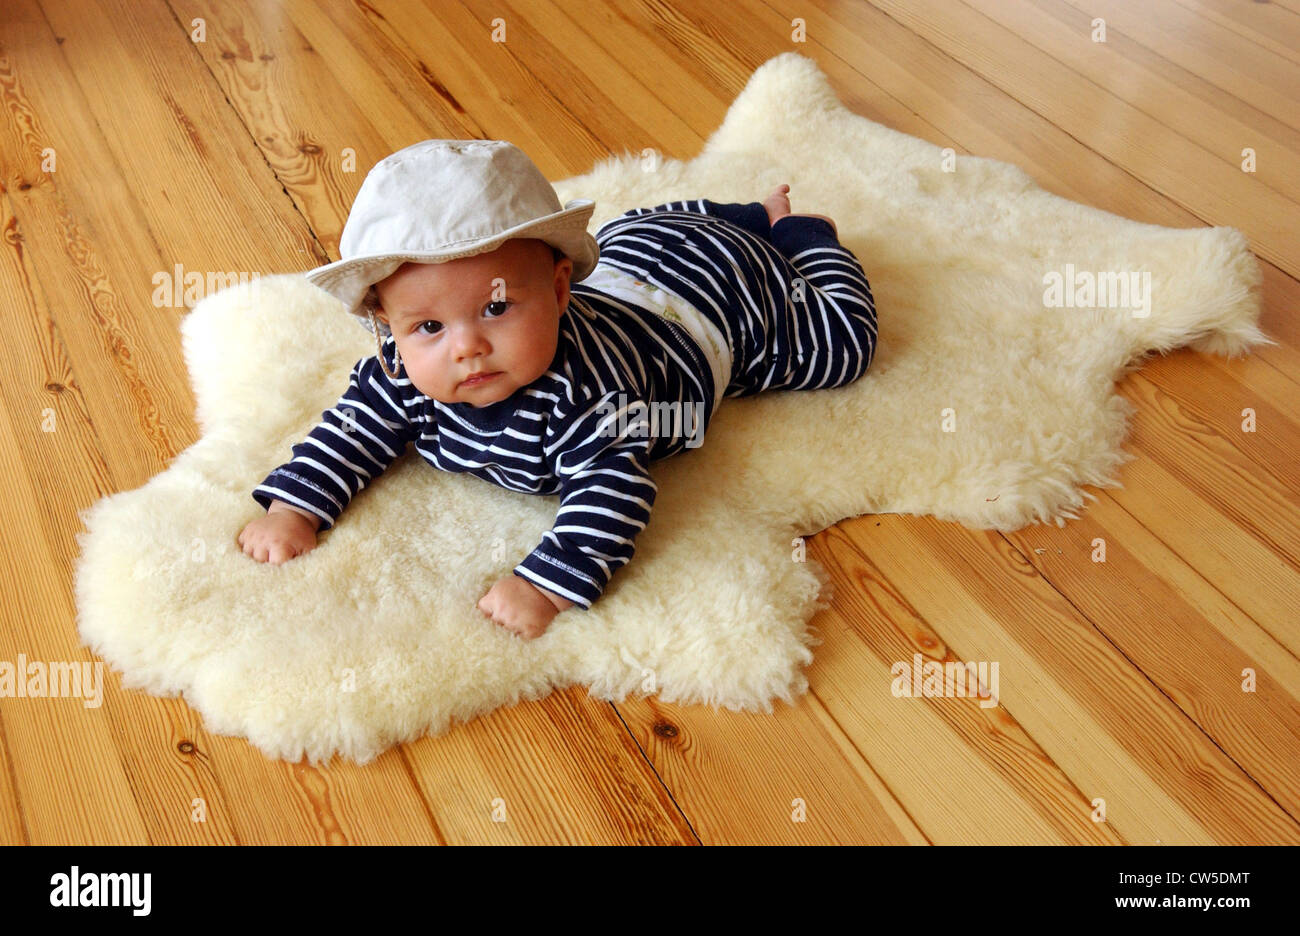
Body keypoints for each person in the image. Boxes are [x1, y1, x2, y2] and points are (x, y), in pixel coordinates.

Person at [237, 140, 876, 640]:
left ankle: (796, 233)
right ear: (388, 327)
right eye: (429, 326)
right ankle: (743, 212)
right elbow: (350, 432)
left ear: (560, 288)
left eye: (495, 308)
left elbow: (614, 490)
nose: (465, 347)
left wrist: (544, 584)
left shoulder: (591, 398)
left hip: (715, 307)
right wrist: (295, 507)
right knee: (635, 233)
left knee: (844, 348)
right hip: (631, 257)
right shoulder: (403, 374)